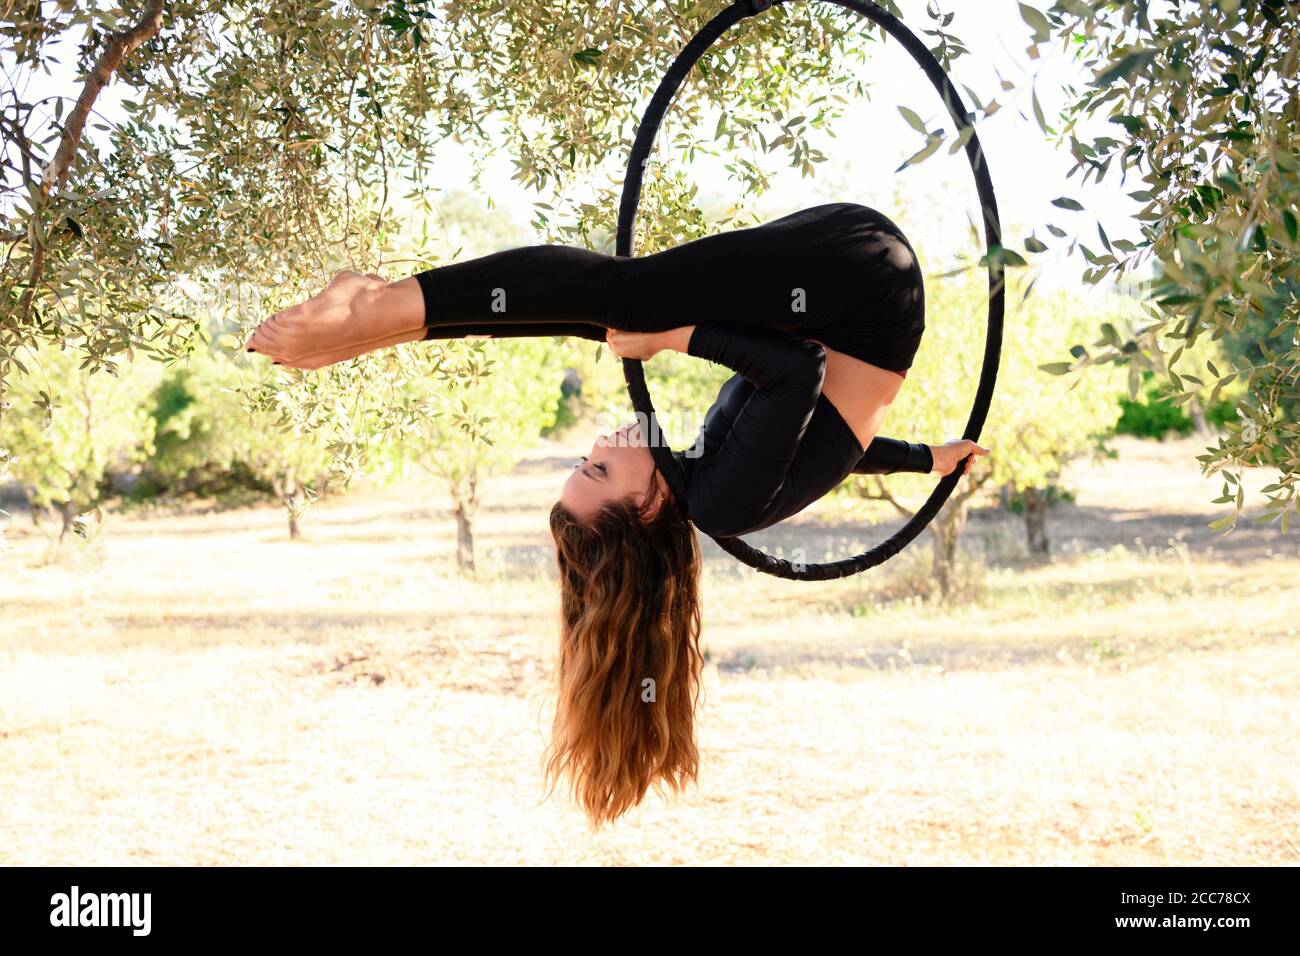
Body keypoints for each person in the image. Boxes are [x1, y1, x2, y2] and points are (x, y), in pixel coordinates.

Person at [244, 202, 991, 828]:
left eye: (584, 462)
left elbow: (834, 442)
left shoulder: (713, 489)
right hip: (863, 288)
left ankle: (386, 323)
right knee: (629, 305)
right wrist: (676, 340)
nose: (600, 442)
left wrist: (927, 458)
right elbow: (800, 370)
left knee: (604, 311)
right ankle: (375, 308)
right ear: (645, 507)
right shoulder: (720, 499)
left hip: (855, 288)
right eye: (599, 469)